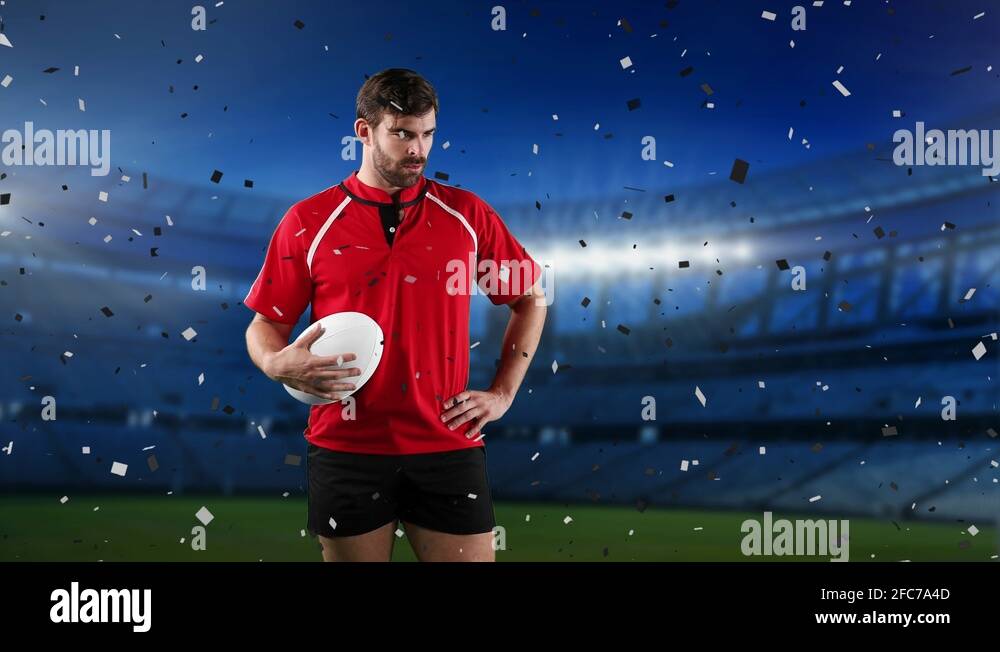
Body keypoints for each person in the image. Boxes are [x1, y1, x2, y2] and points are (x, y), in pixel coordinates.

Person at [244, 68, 547, 562]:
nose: (418, 149)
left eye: (427, 134)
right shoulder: (308, 221)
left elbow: (530, 297)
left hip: (448, 444)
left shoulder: (468, 216)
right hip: (346, 448)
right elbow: (266, 324)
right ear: (364, 131)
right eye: (402, 133)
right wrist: (274, 363)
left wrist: (503, 393)